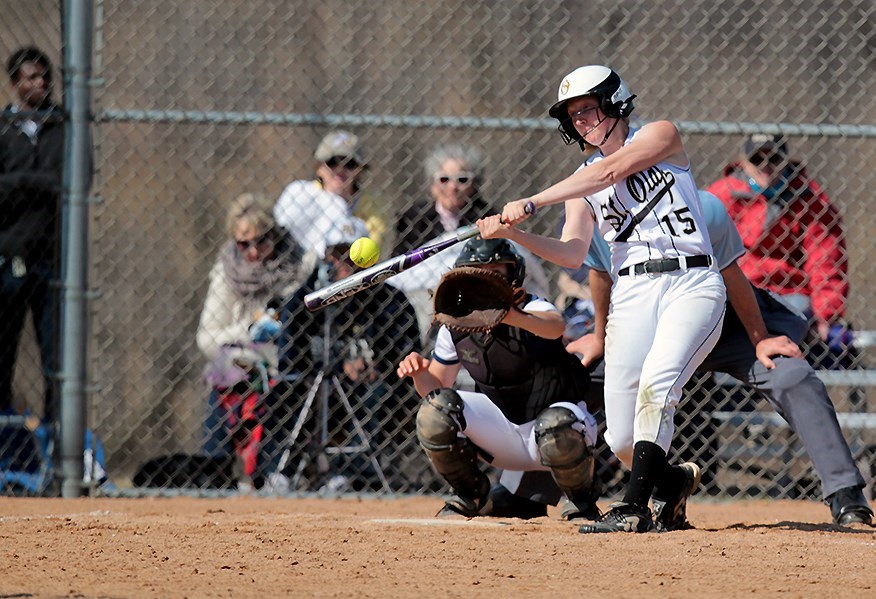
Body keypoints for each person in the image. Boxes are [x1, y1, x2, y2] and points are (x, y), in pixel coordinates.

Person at [479, 65, 728, 534]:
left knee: (659, 387)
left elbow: (611, 171)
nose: (581, 121)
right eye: (572, 115)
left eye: (588, 109)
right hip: (631, 293)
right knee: (621, 437)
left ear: (616, 103)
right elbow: (573, 253)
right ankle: (671, 483)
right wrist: (520, 232)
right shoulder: (580, 181)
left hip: (690, 284)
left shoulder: (660, 135)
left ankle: (633, 507)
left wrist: (531, 200)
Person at [568, 190, 875, 527]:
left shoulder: (703, 208)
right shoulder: (603, 213)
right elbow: (600, 271)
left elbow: (732, 275)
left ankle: (846, 492)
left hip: (727, 324)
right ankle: (555, 496)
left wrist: (759, 338)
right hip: (644, 333)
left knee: (792, 376)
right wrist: (600, 337)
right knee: (570, 378)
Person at [396, 236, 600, 520]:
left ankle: (581, 500)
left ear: (514, 274)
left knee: (556, 424)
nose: (487, 278)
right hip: (504, 438)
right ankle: (470, 494)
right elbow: (437, 386)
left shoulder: (533, 308)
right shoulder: (455, 326)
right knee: (435, 410)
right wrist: (420, 374)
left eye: (497, 271)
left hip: (562, 430)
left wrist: (508, 315)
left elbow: (555, 327)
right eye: (477, 272)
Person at [272, 227, 422, 492]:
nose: (345, 264)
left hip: (372, 388)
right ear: (326, 258)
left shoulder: (390, 300)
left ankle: (351, 473)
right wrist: (339, 364)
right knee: (293, 390)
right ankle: (281, 470)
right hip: (318, 383)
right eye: (337, 255)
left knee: (375, 394)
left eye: (351, 255)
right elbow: (291, 356)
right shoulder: (306, 300)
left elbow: (406, 355)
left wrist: (376, 367)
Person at [196, 193, 316, 487]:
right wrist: (248, 330)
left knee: (285, 385)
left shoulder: (300, 265)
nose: (253, 252)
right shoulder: (227, 273)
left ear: (274, 234)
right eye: (243, 244)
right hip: (241, 362)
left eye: (262, 241)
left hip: (286, 361)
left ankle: (273, 473)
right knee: (223, 378)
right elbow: (207, 338)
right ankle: (215, 472)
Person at [704, 134, 851, 368]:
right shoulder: (723, 194)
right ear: (744, 162)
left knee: (794, 318)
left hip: (787, 290)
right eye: (757, 159)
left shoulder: (808, 197)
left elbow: (826, 258)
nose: (766, 166)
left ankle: (772, 372)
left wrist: (827, 313)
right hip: (736, 286)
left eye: (774, 158)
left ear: (786, 160)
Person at [389, 143, 550, 344]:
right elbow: (402, 271)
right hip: (422, 298)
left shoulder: (487, 216)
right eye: (444, 179)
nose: (452, 187)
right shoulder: (414, 219)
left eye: (462, 180)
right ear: (432, 183)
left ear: (475, 185)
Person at [0, 47, 65, 421]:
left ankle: (58, 445)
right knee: (3, 355)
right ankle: (6, 440)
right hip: (8, 256)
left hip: (52, 259)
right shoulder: (4, 129)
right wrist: (34, 183)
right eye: (31, 77)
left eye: (44, 77)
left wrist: (17, 182)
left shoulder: (61, 127)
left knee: (56, 362)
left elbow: (72, 181)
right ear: (15, 84)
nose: (40, 83)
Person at [274, 130, 386, 255]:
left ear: (359, 170)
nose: (340, 169)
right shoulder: (301, 194)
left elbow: (374, 250)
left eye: (349, 163)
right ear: (319, 167)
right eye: (332, 162)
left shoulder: (373, 205)